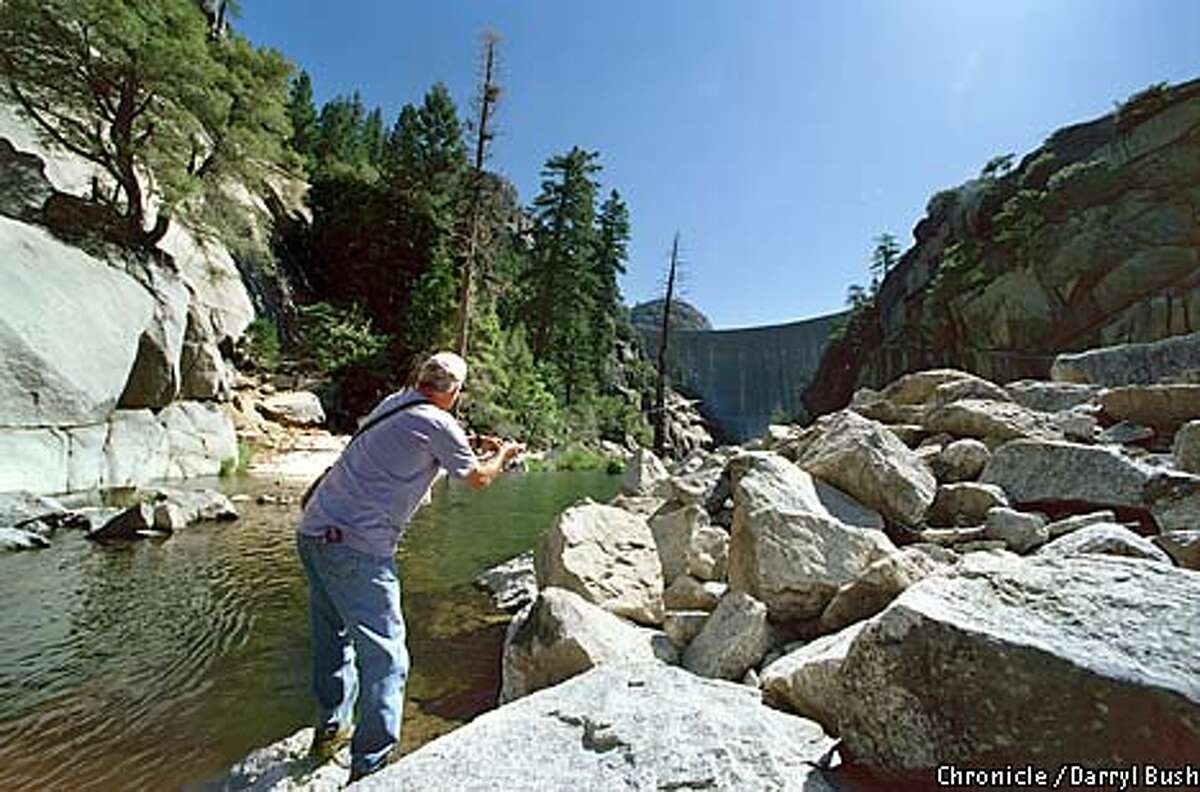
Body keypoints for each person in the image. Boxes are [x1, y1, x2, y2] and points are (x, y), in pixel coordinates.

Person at [295, 351, 523, 782]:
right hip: (357, 549)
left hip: (313, 532)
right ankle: (372, 767)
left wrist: (466, 447)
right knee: (387, 656)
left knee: (333, 636)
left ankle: (330, 730)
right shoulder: (440, 424)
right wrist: (504, 455)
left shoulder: (394, 403)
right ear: (454, 391)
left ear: (421, 378)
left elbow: (396, 446)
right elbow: (476, 480)